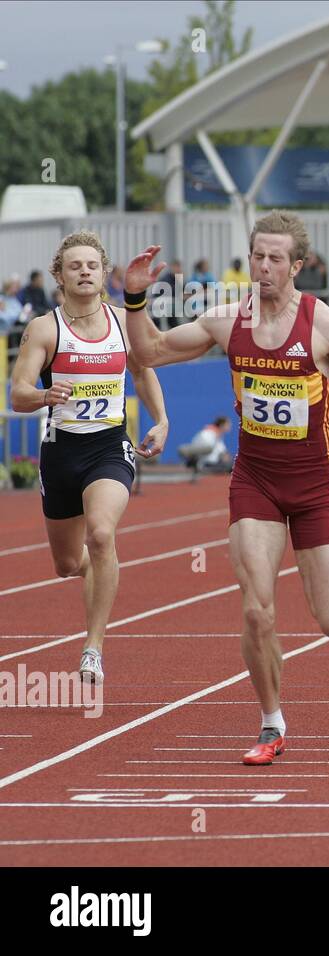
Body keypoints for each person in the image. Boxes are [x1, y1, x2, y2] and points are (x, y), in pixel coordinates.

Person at [121, 210, 329, 765]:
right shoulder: (228, 321)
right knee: (257, 610)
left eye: (276, 258)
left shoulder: (325, 326)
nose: (264, 266)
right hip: (253, 481)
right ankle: (271, 722)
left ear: (297, 265)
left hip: (314, 487)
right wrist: (135, 299)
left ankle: (309, 559)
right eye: (257, 256)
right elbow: (149, 353)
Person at [7, 231, 169, 685]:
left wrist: (161, 420)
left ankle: (93, 647)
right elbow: (17, 394)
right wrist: (43, 395)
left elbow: (143, 370)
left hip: (109, 447)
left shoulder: (122, 321)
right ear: (59, 275)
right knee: (66, 564)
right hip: (61, 453)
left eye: (92, 266)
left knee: (101, 535)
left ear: (104, 275)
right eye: (74, 266)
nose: (84, 272)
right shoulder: (45, 328)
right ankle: (101, 567)